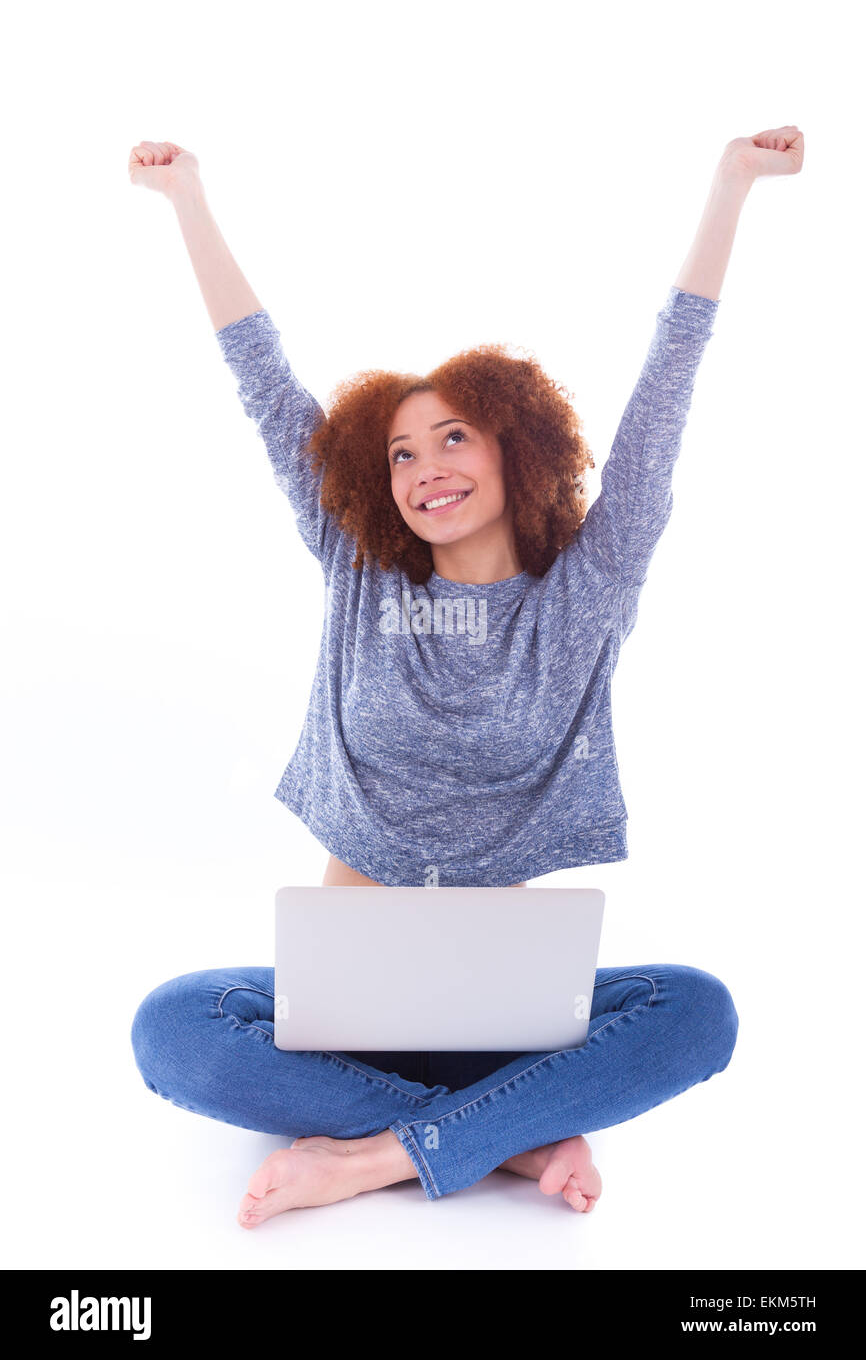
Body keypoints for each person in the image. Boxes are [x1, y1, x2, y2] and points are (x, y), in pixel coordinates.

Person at [127, 127, 803, 1227]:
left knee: (697, 1013)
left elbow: (662, 403)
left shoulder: (581, 598)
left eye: (452, 439)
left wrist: (731, 188)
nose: (424, 468)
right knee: (171, 1026)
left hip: (501, 1015)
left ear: (514, 452)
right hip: (341, 1010)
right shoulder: (354, 567)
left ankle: (375, 1151)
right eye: (399, 452)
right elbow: (261, 377)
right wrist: (187, 201)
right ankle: (505, 1133)